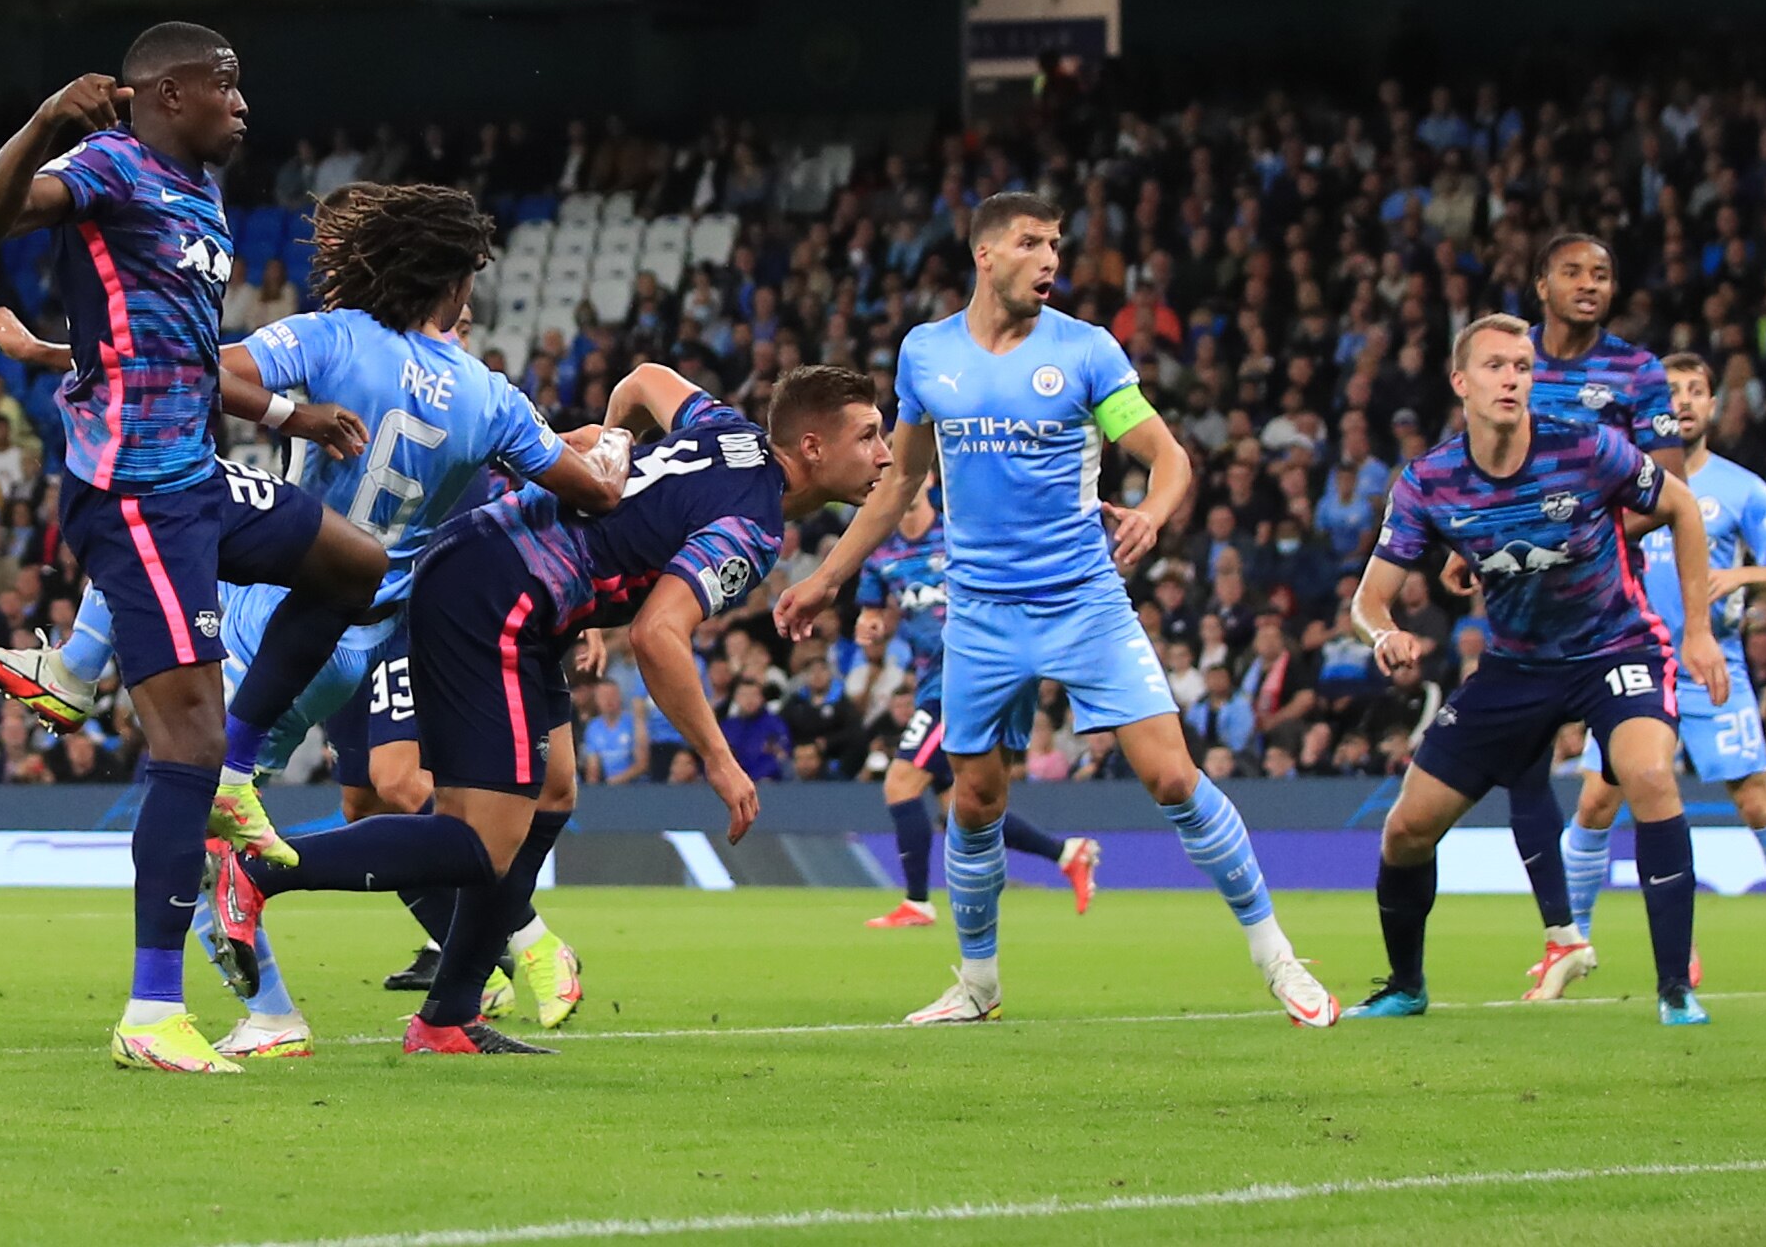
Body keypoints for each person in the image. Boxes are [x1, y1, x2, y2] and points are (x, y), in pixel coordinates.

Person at [0, 184, 633, 1055]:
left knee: (159, 508)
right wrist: (614, 446)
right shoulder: (491, 397)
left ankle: (271, 1012)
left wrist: (41, 349)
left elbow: (184, 368)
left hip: (278, 608)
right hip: (350, 644)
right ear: (456, 288)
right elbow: (593, 493)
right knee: (174, 537)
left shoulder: (333, 337)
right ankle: (80, 677)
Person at [772, 192, 1338, 1029]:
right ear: (985, 254)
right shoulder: (927, 354)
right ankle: (978, 985)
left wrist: (1152, 512)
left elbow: (1167, 456)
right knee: (975, 800)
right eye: (1032, 243)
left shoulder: (1085, 352)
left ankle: (1278, 959)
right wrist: (828, 577)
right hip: (980, 613)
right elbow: (900, 482)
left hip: (1083, 602)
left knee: (1173, 778)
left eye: (1056, 246)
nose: (1050, 260)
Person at [207, 362, 887, 1056]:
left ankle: (449, 1016)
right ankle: (260, 872)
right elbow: (657, 635)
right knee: (479, 842)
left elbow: (646, 379)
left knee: (554, 794)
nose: (885, 455)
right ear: (811, 447)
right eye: (868, 436)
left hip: (514, 580)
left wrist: (614, 450)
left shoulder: (725, 430)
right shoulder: (753, 524)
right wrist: (719, 758)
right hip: (499, 595)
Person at [0, 26, 389, 1073]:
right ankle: (152, 1008)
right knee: (183, 746)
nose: (243, 104)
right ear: (167, 93)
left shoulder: (201, 193)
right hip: (138, 495)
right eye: (225, 86)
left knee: (356, 564)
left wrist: (286, 414)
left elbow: (180, 353)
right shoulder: (107, 165)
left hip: (198, 476)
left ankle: (229, 757)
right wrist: (45, 123)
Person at [1344, 313, 1728, 1025]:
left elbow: (1681, 507)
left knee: (1648, 774)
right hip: (1517, 668)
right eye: (1495, 366)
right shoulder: (1429, 481)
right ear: (1461, 382)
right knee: (1406, 829)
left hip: (1615, 647)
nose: (1512, 379)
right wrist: (1385, 635)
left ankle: (1675, 987)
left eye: (1522, 366)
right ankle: (1405, 985)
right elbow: (1368, 601)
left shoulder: (1586, 446)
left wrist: (1699, 631)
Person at [1560, 352, 1766, 976]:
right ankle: (1572, 942)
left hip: (1713, 668)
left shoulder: (1741, 488)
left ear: (1713, 404)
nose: (1682, 401)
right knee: (1598, 802)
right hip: (1630, 664)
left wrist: (1740, 575)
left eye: (1695, 390)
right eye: (1671, 391)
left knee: (1754, 799)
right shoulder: (1619, 479)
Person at [1501, 231, 1687, 1003]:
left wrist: (1577, 534)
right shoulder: (1511, 358)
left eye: (1602, 274)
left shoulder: (1637, 372)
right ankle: (1563, 936)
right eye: (1572, 272)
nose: (1589, 284)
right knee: (1522, 768)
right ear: (1541, 284)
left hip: (1609, 606)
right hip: (1517, 599)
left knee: (1636, 776)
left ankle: (1675, 975)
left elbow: (1667, 487)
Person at [853, 476, 1101, 931]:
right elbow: (872, 615)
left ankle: (917, 903)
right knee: (965, 806)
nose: (893, 478)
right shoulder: (880, 551)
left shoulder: (959, 531)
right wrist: (870, 626)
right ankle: (1067, 853)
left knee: (900, 784)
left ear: (927, 477)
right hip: (931, 682)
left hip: (967, 681)